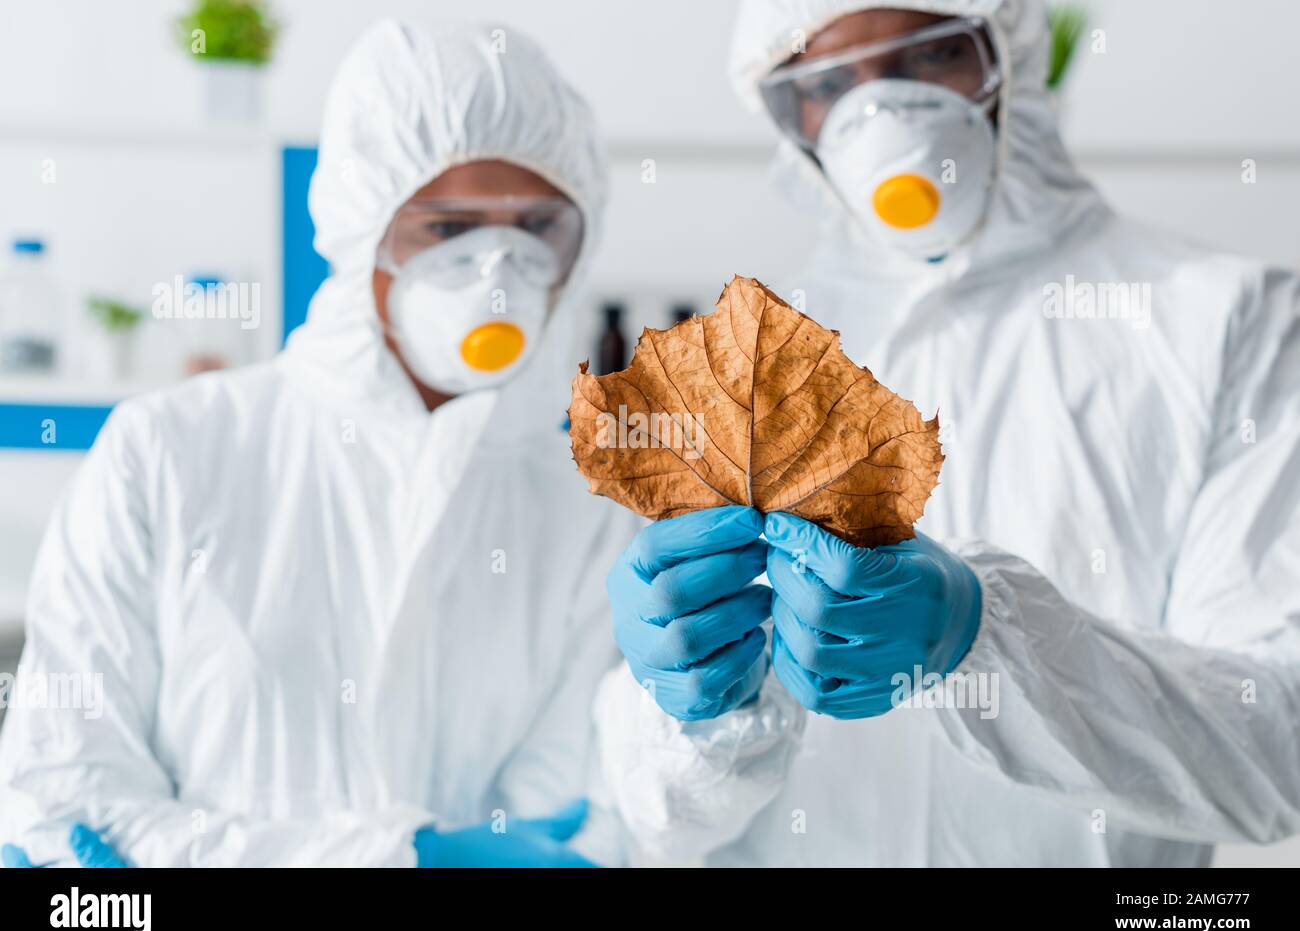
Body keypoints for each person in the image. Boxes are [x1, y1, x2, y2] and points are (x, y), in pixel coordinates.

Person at [595, 0, 1300, 865]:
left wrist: (987, 639)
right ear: (791, 113)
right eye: (828, 82)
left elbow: (1276, 749)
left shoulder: (1225, 319)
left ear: (1008, 53)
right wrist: (692, 715)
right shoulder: (741, 358)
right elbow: (656, 825)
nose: (880, 109)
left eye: (928, 58)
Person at [0, 19, 639, 867]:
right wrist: (407, 858)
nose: (498, 272)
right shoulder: (166, 453)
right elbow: (64, 807)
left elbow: (582, 816)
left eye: (535, 229)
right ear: (361, 226)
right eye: (449, 229)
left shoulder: (586, 512)